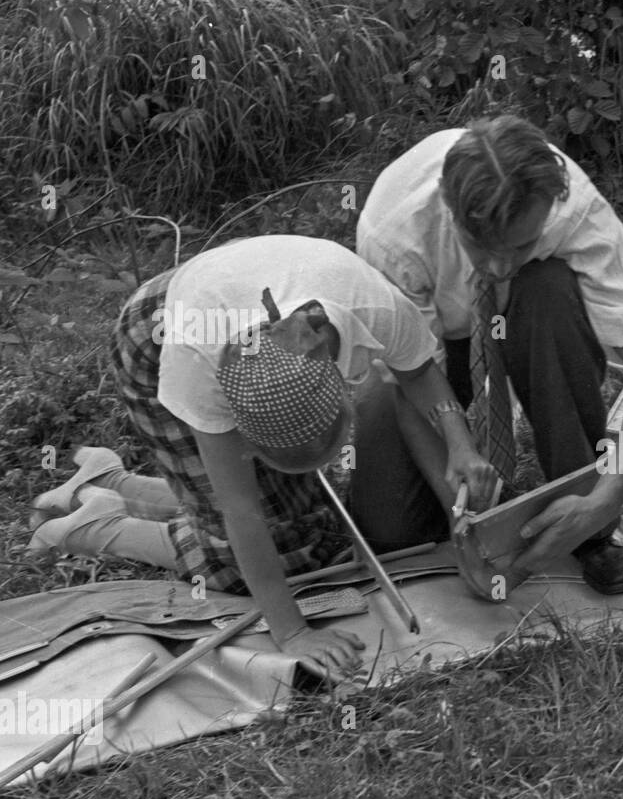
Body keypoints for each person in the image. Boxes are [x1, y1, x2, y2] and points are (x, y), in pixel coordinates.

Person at [26, 235, 497, 675]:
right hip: (158, 335)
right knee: (248, 562)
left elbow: (416, 373)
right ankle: (95, 526)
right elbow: (241, 509)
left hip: (233, 292)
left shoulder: (373, 303)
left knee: (305, 522)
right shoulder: (201, 367)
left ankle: (113, 483)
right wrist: (290, 632)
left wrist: (461, 445)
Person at [356, 114, 623, 594]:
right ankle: (469, 510)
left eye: (523, 244)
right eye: (480, 247)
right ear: (450, 209)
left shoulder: (575, 209)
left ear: (551, 204)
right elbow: (412, 381)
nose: (500, 265)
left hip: (531, 318)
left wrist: (609, 496)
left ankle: (584, 509)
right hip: (437, 348)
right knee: (394, 531)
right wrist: (463, 520)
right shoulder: (394, 236)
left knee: (547, 285)